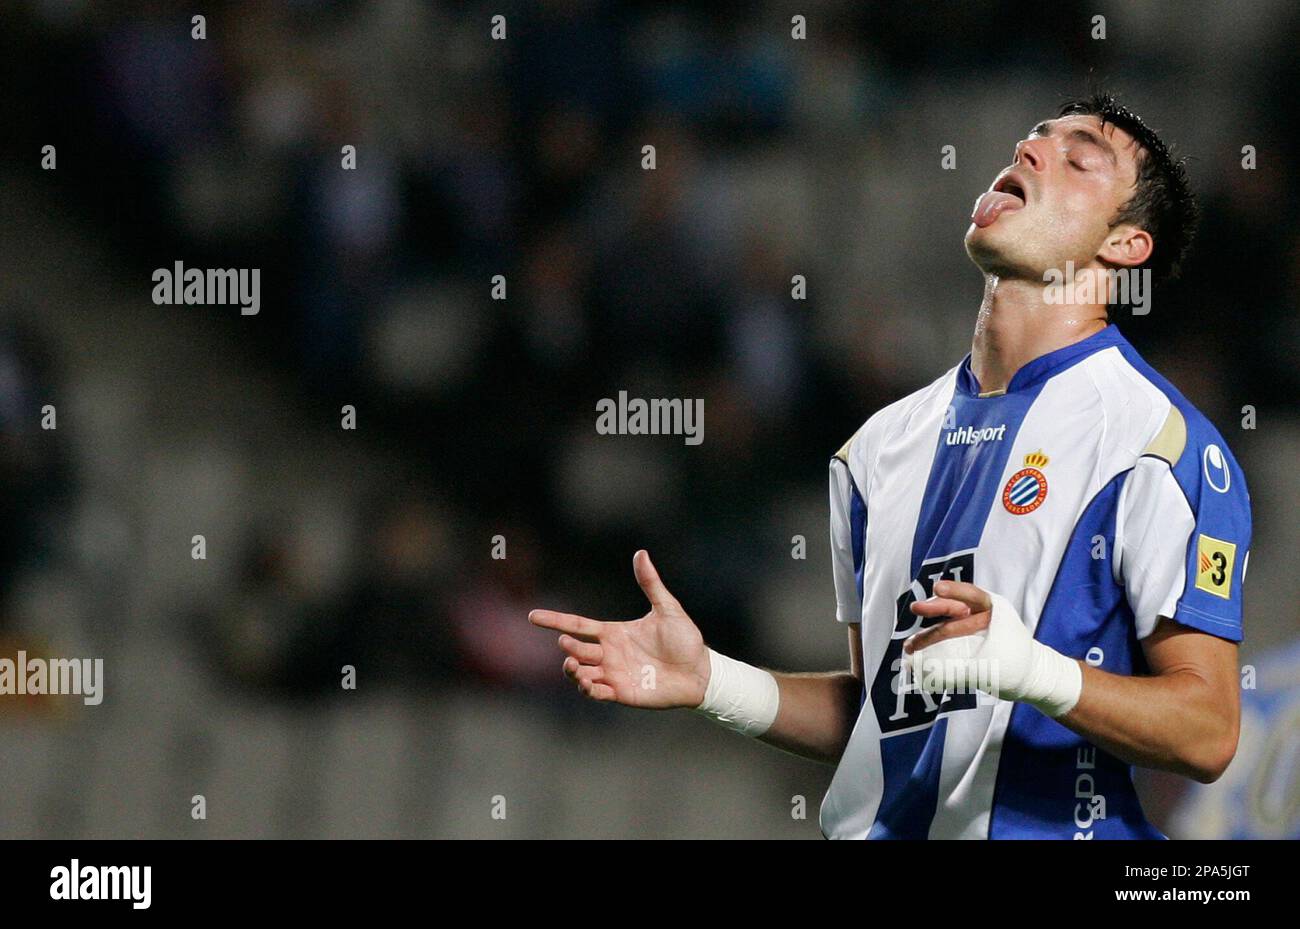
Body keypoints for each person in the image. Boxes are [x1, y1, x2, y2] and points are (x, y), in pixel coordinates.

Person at [529, 94, 1252, 839]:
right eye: (1032, 139)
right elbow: (883, 714)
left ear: (1127, 246)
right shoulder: (877, 446)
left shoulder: (1156, 443)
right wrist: (714, 679)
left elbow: (1208, 729)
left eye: (1079, 159)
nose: (1029, 152)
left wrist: (1033, 671)